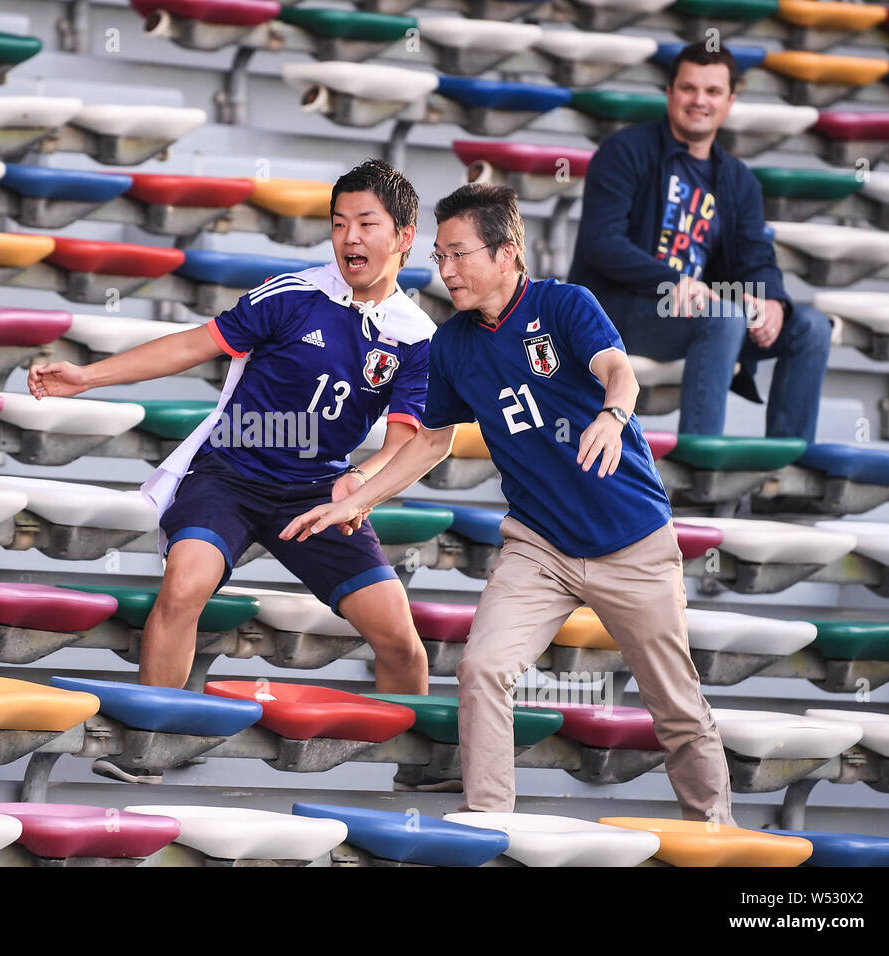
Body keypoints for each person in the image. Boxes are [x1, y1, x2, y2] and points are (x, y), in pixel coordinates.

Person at [282, 182, 736, 825]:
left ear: (506, 252)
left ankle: (715, 830)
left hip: (632, 539)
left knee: (677, 705)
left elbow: (620, 371)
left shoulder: (566, 305)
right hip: (539, 545)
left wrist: (612, 416)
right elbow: (431, 442)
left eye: (458, 254)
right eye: (439, 256)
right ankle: (487, 820)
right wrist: (359, 496)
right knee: (482, 669)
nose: (444, 270)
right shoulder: (452, 344)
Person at [29, 160, 436, 779]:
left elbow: (406, 438)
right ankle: (149, 746)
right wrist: (89, 376)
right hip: (229, 473)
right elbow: (194, 344)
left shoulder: (417, 338)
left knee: (400, 639)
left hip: (319, 490)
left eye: (366, 223)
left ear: (404, 235)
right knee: (184, 586)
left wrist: (364, 481)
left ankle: (421, 767)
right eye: (338, 223)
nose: (349, 237)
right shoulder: (292, 295)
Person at [567, 42, 831, 441]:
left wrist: (773, 298)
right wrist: (671, 281)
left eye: (712, 91)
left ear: (729, 101)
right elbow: (601, 242)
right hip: (622, 309)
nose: (699, 100)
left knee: (811, 327)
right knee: (724, 316)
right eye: (689, 88)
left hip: (697, 309)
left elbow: (754, 254)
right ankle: (702, 462)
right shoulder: (626, 151)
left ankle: (788, 467)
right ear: (670, 92)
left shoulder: (737, 179)